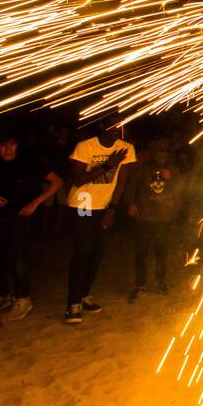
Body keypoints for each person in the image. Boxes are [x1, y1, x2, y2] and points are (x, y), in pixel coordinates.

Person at [0, 131, 63, 321]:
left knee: (17, 255)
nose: (8, 149)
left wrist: (34, 204)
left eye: (12, 144)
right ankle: (2, 295)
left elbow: (57, 182)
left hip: (21, 215)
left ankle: (23, 298)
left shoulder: (30, 161)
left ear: (18, 145)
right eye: (3, 145)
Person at [63, 124, 135, 324]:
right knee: (82, 250)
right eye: (114, 127)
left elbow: (121, 182)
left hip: (104, 206)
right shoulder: (85, 146)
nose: (118, 131)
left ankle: (84, 295)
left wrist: (112, 210)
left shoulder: (126, 148)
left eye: (121, 127)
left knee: (98, 252)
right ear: (103, 127)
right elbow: (78, 180)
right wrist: (107, 165)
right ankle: (72, 304)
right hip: (83, 202)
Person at [125, 137, 183, 301]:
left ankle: (161, 281)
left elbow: (180, 191)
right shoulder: (143, 169)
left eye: (165, 152)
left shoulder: (173, 170)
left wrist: (171, 179)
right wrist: (131, 204)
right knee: (142, 253)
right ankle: (140, 285)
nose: (162, 156)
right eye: (159, 152)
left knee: (161, 253)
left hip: (164, 219)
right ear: (153, 154)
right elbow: (130, 188)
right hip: (145, 218)